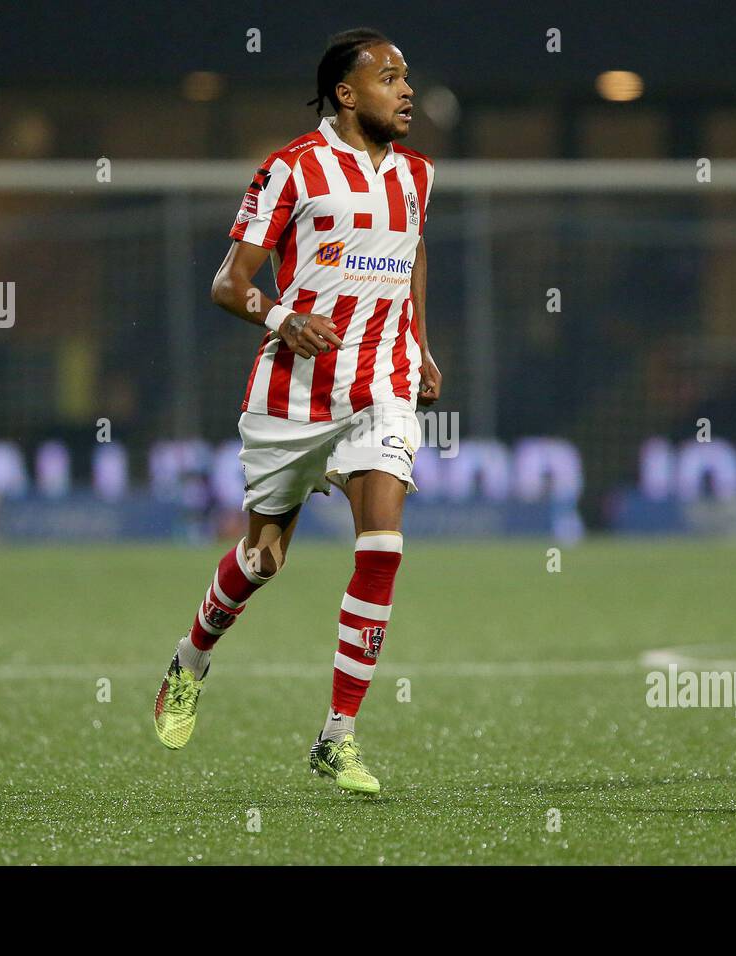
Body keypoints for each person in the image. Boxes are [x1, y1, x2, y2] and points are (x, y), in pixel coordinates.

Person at [152, 27, 442, 793]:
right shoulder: (290, 170)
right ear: (347, 95)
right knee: (261, 561)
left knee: (382, 545)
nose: (406, 89)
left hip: (382, 385)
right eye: (389, 77)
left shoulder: (416, 174)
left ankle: (337, 736)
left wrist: (419, 343)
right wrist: (282, 318)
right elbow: (228, 281)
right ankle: (190, 661)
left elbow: (412, 251)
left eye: (406, 76)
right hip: (294, 395)